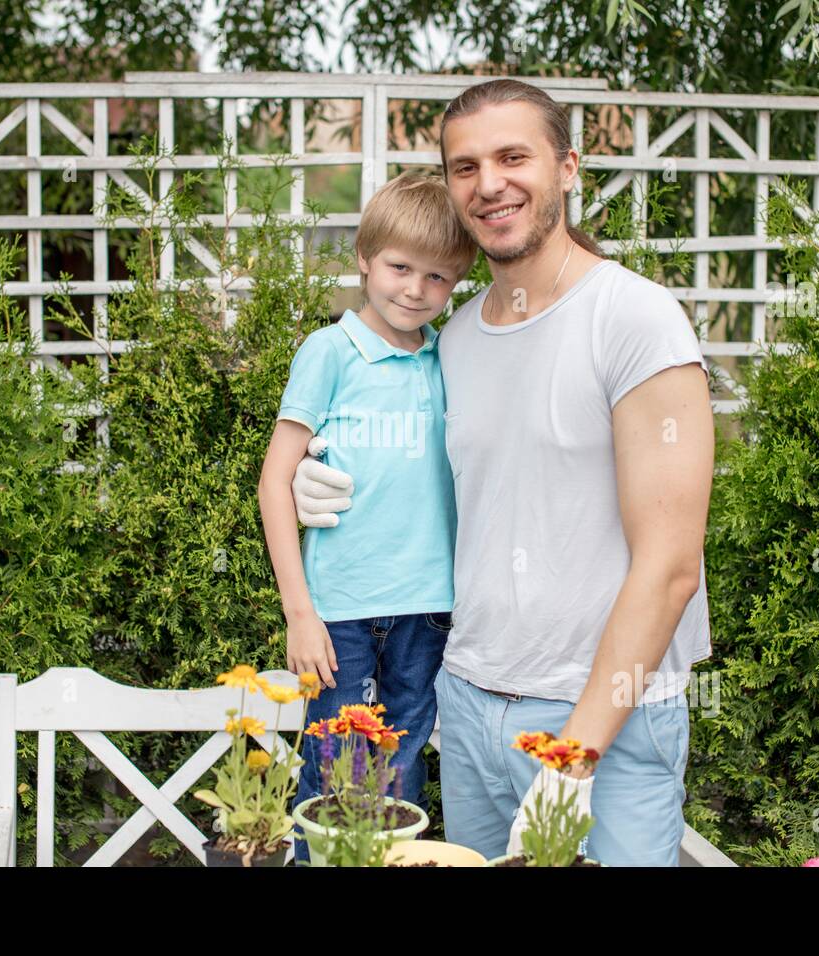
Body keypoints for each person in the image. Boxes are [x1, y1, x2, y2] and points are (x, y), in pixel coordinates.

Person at [290, 79, 715, 865]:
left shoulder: (635, 319)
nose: (488, 183)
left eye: (513, 156)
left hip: (601, 725)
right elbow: (442, 497)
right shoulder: (451, 339)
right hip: (470, 706)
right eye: (465, 166)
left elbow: (670, 569)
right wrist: (314, 479)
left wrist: (573, 761)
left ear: (569, 168)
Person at [257, 171, 477, 862]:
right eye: (400, 267)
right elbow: (274, 481)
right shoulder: (330, 352)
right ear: (363, 257)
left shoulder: (453, 357)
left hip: (431, 606)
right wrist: (300, 611)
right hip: (341, 610)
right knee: (335, 770)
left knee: (400, 770)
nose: (415, 289)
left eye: (438, 277)